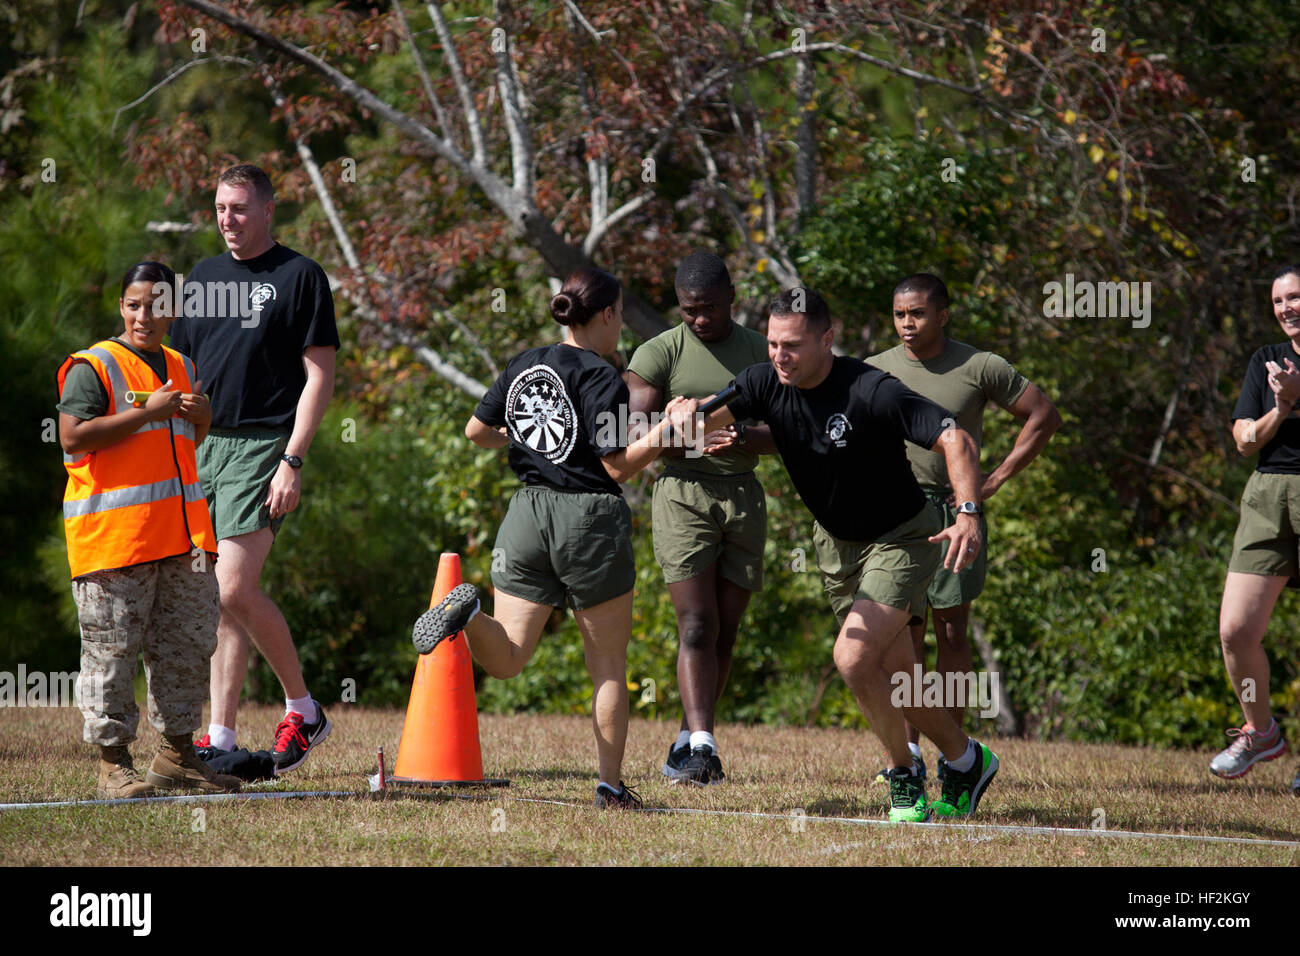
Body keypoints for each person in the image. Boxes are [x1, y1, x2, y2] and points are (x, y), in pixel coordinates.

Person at [674, 288, 1001, 822]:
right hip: (837, 546)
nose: (779, 355)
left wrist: (968, 511)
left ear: (827, 339)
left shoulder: (872, 390)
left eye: (793, 346)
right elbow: (705, 419)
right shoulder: (764, 381)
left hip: (901, 537)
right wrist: (687, 413)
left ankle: (903, 774)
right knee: (898, 678)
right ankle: (967, 759)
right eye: (774, 343)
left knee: (851, 658)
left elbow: (954, 438)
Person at [411, 267, 689, 809]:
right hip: (588, 519)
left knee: (509, 659)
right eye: (621, 313)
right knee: (607, 666)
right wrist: (667, 429)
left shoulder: (525, 363)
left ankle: (467, 617)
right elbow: (617, 467)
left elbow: (476, 432)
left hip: (525, 514)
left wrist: (535, 438)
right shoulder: (603, 375)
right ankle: (610, 787)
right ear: (606, 314)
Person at [168, 164, 340, 774]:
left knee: (234, 587)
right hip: (202, 447)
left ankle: (305, 708)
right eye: (219, 207)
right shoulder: (204, 277)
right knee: (218, 599)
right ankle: (219, 736)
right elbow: (180, 365)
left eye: (239, 208)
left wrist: (292, 459)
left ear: (269, 209)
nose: (227, 219)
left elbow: (320, 375)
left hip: (264, 445)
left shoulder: (300, 276)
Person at [57, 261, 241, 797]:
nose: (145, 316)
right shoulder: (95, 366)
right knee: (112, 652)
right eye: (134, 305)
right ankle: (113, 764)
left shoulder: (181, 364)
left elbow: (181, 447)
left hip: (183, 541)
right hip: (115, 541)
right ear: (121, 307)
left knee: (185, 648)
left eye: (157, 305)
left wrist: (200, 417)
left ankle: (178, 757)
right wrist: (149, 412)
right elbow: (72, 438)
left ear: (172, 310)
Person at [870, 273, 1060, 778]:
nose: (907, 324)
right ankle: (907, 755)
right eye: (899, 314)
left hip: (957, 513)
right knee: (902, 637)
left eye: (918, 313)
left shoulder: (979, 366)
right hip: (895, 513)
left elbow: (1042, 414)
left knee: (951, 631)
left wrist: (992, 480)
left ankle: (954, 759)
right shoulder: (874, 370)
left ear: (943, 315)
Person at [627, 253, 773, 785]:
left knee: (725, 634)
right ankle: (705, 747)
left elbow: (792, 431)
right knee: (695, 625)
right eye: (689, 310)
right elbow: (632, 438)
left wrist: (740, 437)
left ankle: (688, 740)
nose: (700, 319)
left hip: (742, 495)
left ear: (731, 296)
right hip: (683, 495)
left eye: (709, 308)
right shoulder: (659, 352)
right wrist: (684, 435)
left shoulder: (761, 351)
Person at [1214, 263, 1300, 793]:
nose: (1287, 307)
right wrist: (1284, 405)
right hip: (1268, 492)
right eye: (1278, 301)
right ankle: (1261, 731)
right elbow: (1245, 439)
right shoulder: (1265, 361)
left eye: (1295, 297)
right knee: (1236, 631)